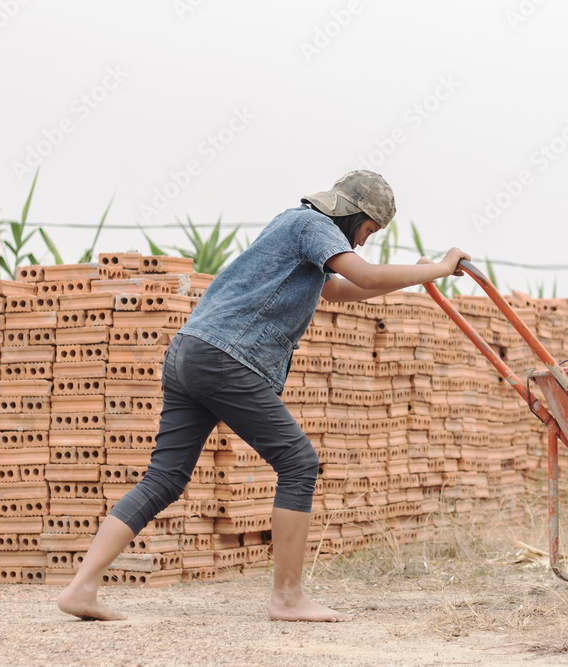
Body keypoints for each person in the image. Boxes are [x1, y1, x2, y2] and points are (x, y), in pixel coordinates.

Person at [58, 170, 469, 623]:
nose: (364, 243)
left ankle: (81, 588)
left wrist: (419, 276)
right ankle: (288, 598)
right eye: (368, 231)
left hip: (190, 352)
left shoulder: (293, 227)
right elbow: (366, 276)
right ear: (354, 216)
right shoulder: (315, 227)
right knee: (298, 462)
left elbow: (339, 291)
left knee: (165, 479)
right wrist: (439, 266)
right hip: (224, 357)